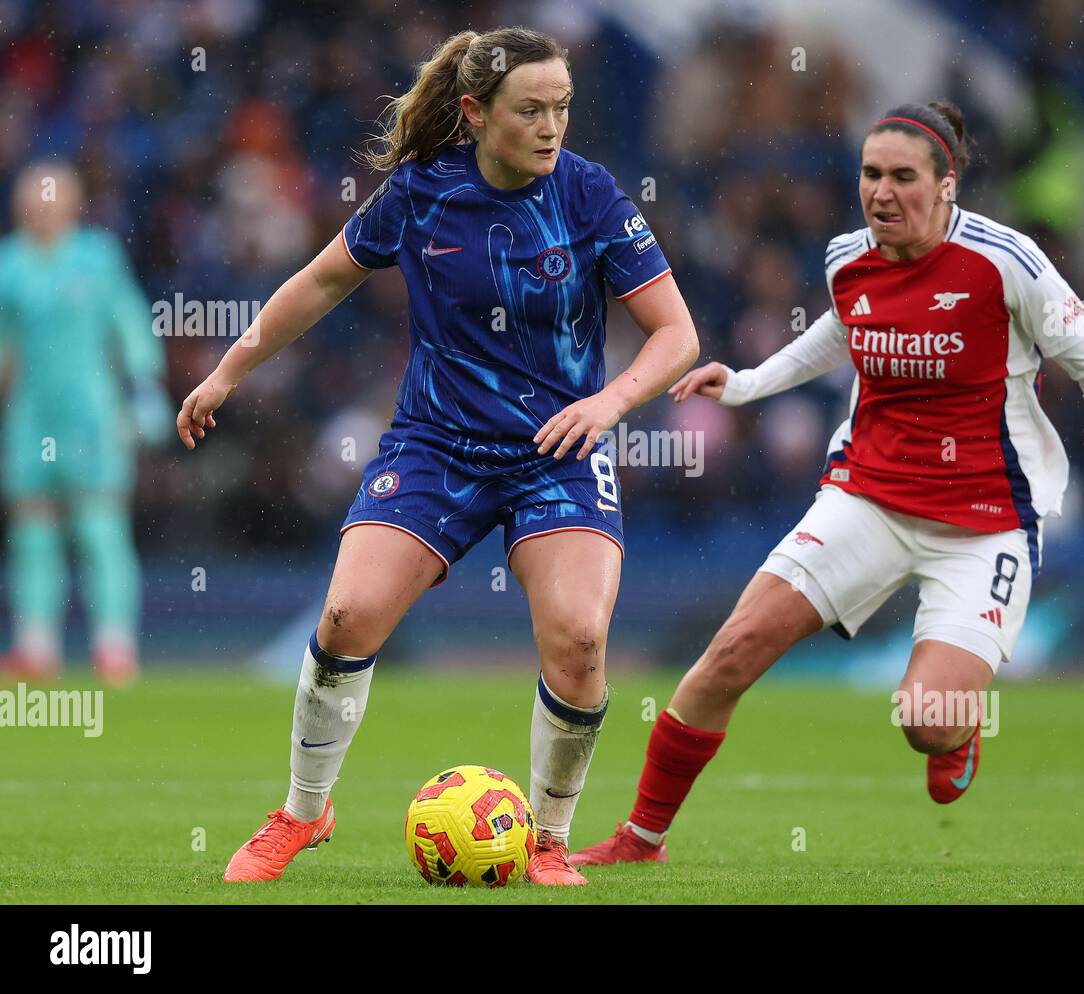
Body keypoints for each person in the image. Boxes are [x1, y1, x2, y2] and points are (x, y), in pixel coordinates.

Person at [177, 27, 698, 886]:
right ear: (475, 112)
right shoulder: (421, 193)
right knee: (346, 618)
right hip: (436, 445)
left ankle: (548, 840)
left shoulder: (592, 195)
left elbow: (676, 334)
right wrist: (229, 369)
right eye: (530, 110)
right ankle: (303, 813)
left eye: (562, 107)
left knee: (579, 638)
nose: (551, 126)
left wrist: (608, 404)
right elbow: (323, 280)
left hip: (557, 451)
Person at [572, 101, 1084, 867]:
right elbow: (844, 330)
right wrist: (747, 383)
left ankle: (955, 729)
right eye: (871, 173)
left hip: (985, 523)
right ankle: (641, 839)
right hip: (867, 497)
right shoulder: (849, 258)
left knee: (926, 720)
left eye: (903, 176)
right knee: (732, 652)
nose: (882, 191)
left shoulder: (1006, 261)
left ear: (947, 185)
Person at [0, 162, 168, 687]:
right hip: (31, 414)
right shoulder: (9, 265)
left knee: (99, 526)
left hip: (91, 414)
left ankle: (114, 645)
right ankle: (35, 644)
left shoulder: (97, 258)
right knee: (32, 529)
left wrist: (143, 387)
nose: (41, 209)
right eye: (33, 201)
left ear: (72, 205)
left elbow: (129, 322)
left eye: (50, 200)